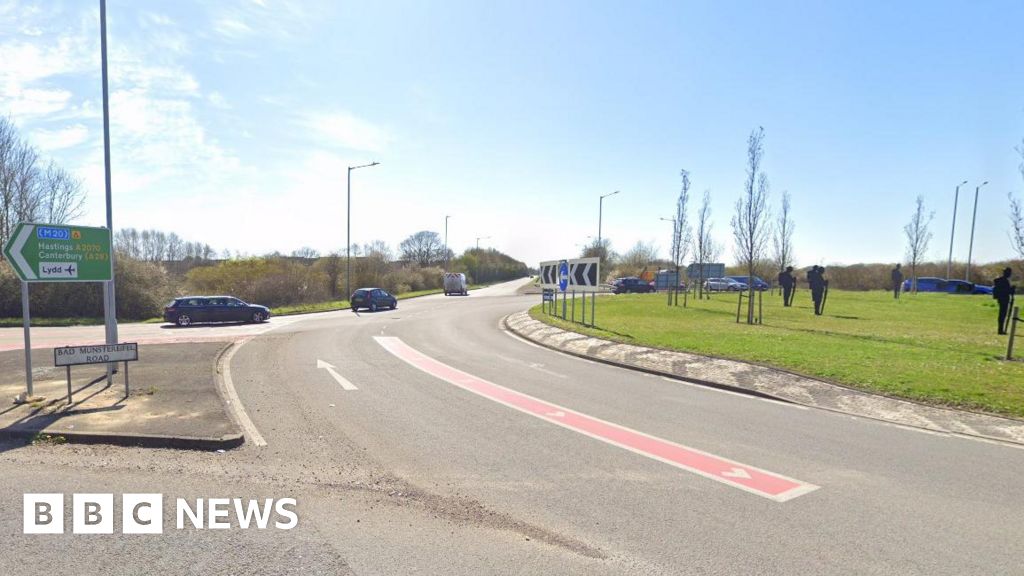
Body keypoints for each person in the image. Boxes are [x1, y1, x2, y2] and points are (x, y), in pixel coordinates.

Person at [993, 267, 1016, 335]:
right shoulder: (1003, 281)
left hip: (1002, 299)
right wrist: (1012, 289)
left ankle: (1001, 329)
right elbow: (1006, 291)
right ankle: (1000, 330)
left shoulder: (1002, 280)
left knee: (1002, 314)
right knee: (1002, 314)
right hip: (1003, 299)